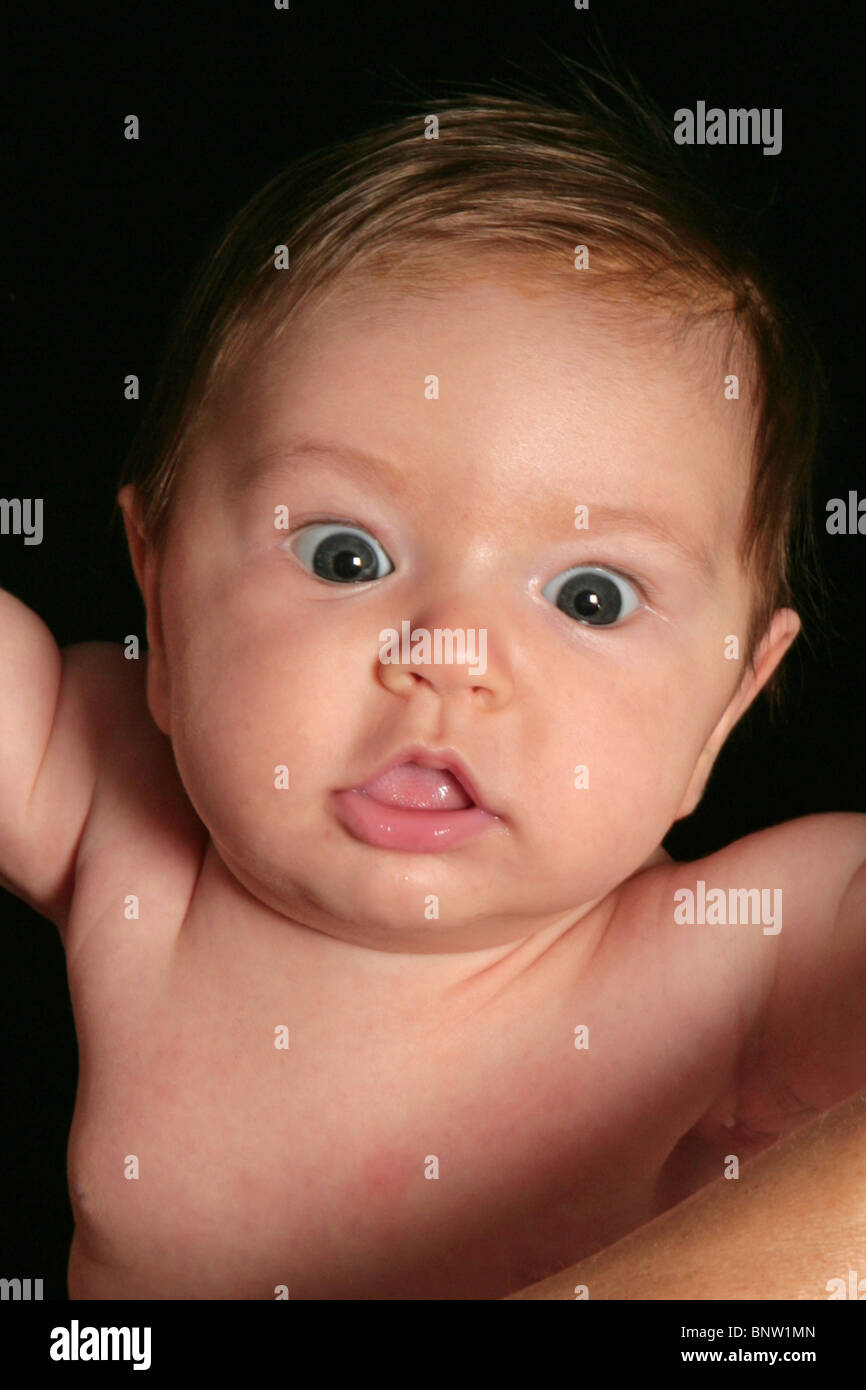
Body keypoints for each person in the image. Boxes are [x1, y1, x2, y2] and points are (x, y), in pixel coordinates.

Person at [1, 74, 864, 1299]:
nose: (447, 657)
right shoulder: (116, 821)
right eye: (342, 555)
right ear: (162, 606)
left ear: (724, 707)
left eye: (590, 597)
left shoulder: (727, 965)